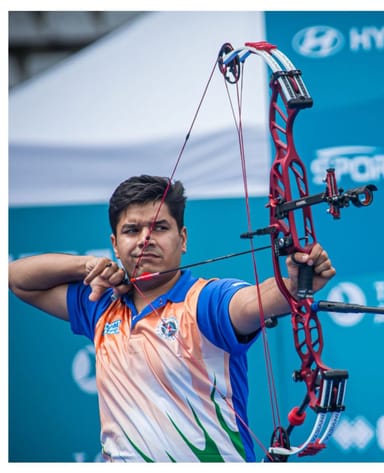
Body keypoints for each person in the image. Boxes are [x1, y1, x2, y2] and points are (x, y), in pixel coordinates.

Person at [8, 175, 336, 462]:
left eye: (159, 227)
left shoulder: (206, 301)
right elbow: (17, 279)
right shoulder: (100, 303)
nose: (145, 239)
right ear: (115, 245)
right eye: (131, 230)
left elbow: (253, 301)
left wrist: (293, 285)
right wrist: (84, 266)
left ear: (183, 239)